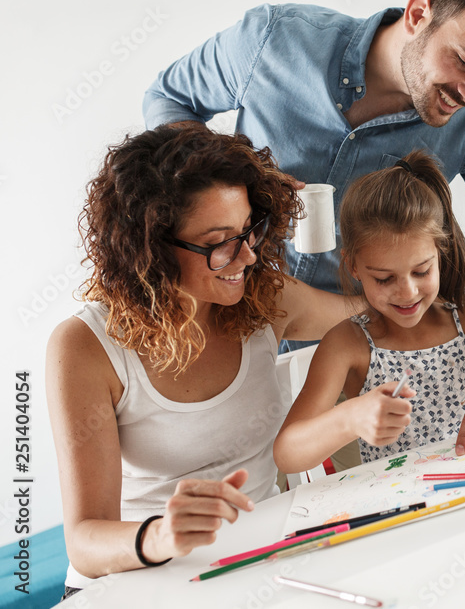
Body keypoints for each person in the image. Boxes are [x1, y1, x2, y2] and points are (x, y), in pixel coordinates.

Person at [142, 0, 465, 455]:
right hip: (224, 330)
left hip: (348, 361)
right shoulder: (274, 39)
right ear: (417, 14)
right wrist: (239, 172)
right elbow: (167, 96)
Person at [46, 126, 357, 595]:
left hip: (252, 568)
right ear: (151, 250)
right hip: (133, 582)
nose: (249, 256)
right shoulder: (85, 346)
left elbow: (378, 317)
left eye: (249, 228)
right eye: (220, 241)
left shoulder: (268, 300)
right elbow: (85, 543)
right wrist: (162, 535)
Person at [273, 151, 465, 473]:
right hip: (405, 510)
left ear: (440, 253)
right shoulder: (345, 345)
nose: (407, 292)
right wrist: (350, 418)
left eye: (421, 271)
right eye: (384, 278)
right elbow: (287, 452)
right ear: (353, 266)